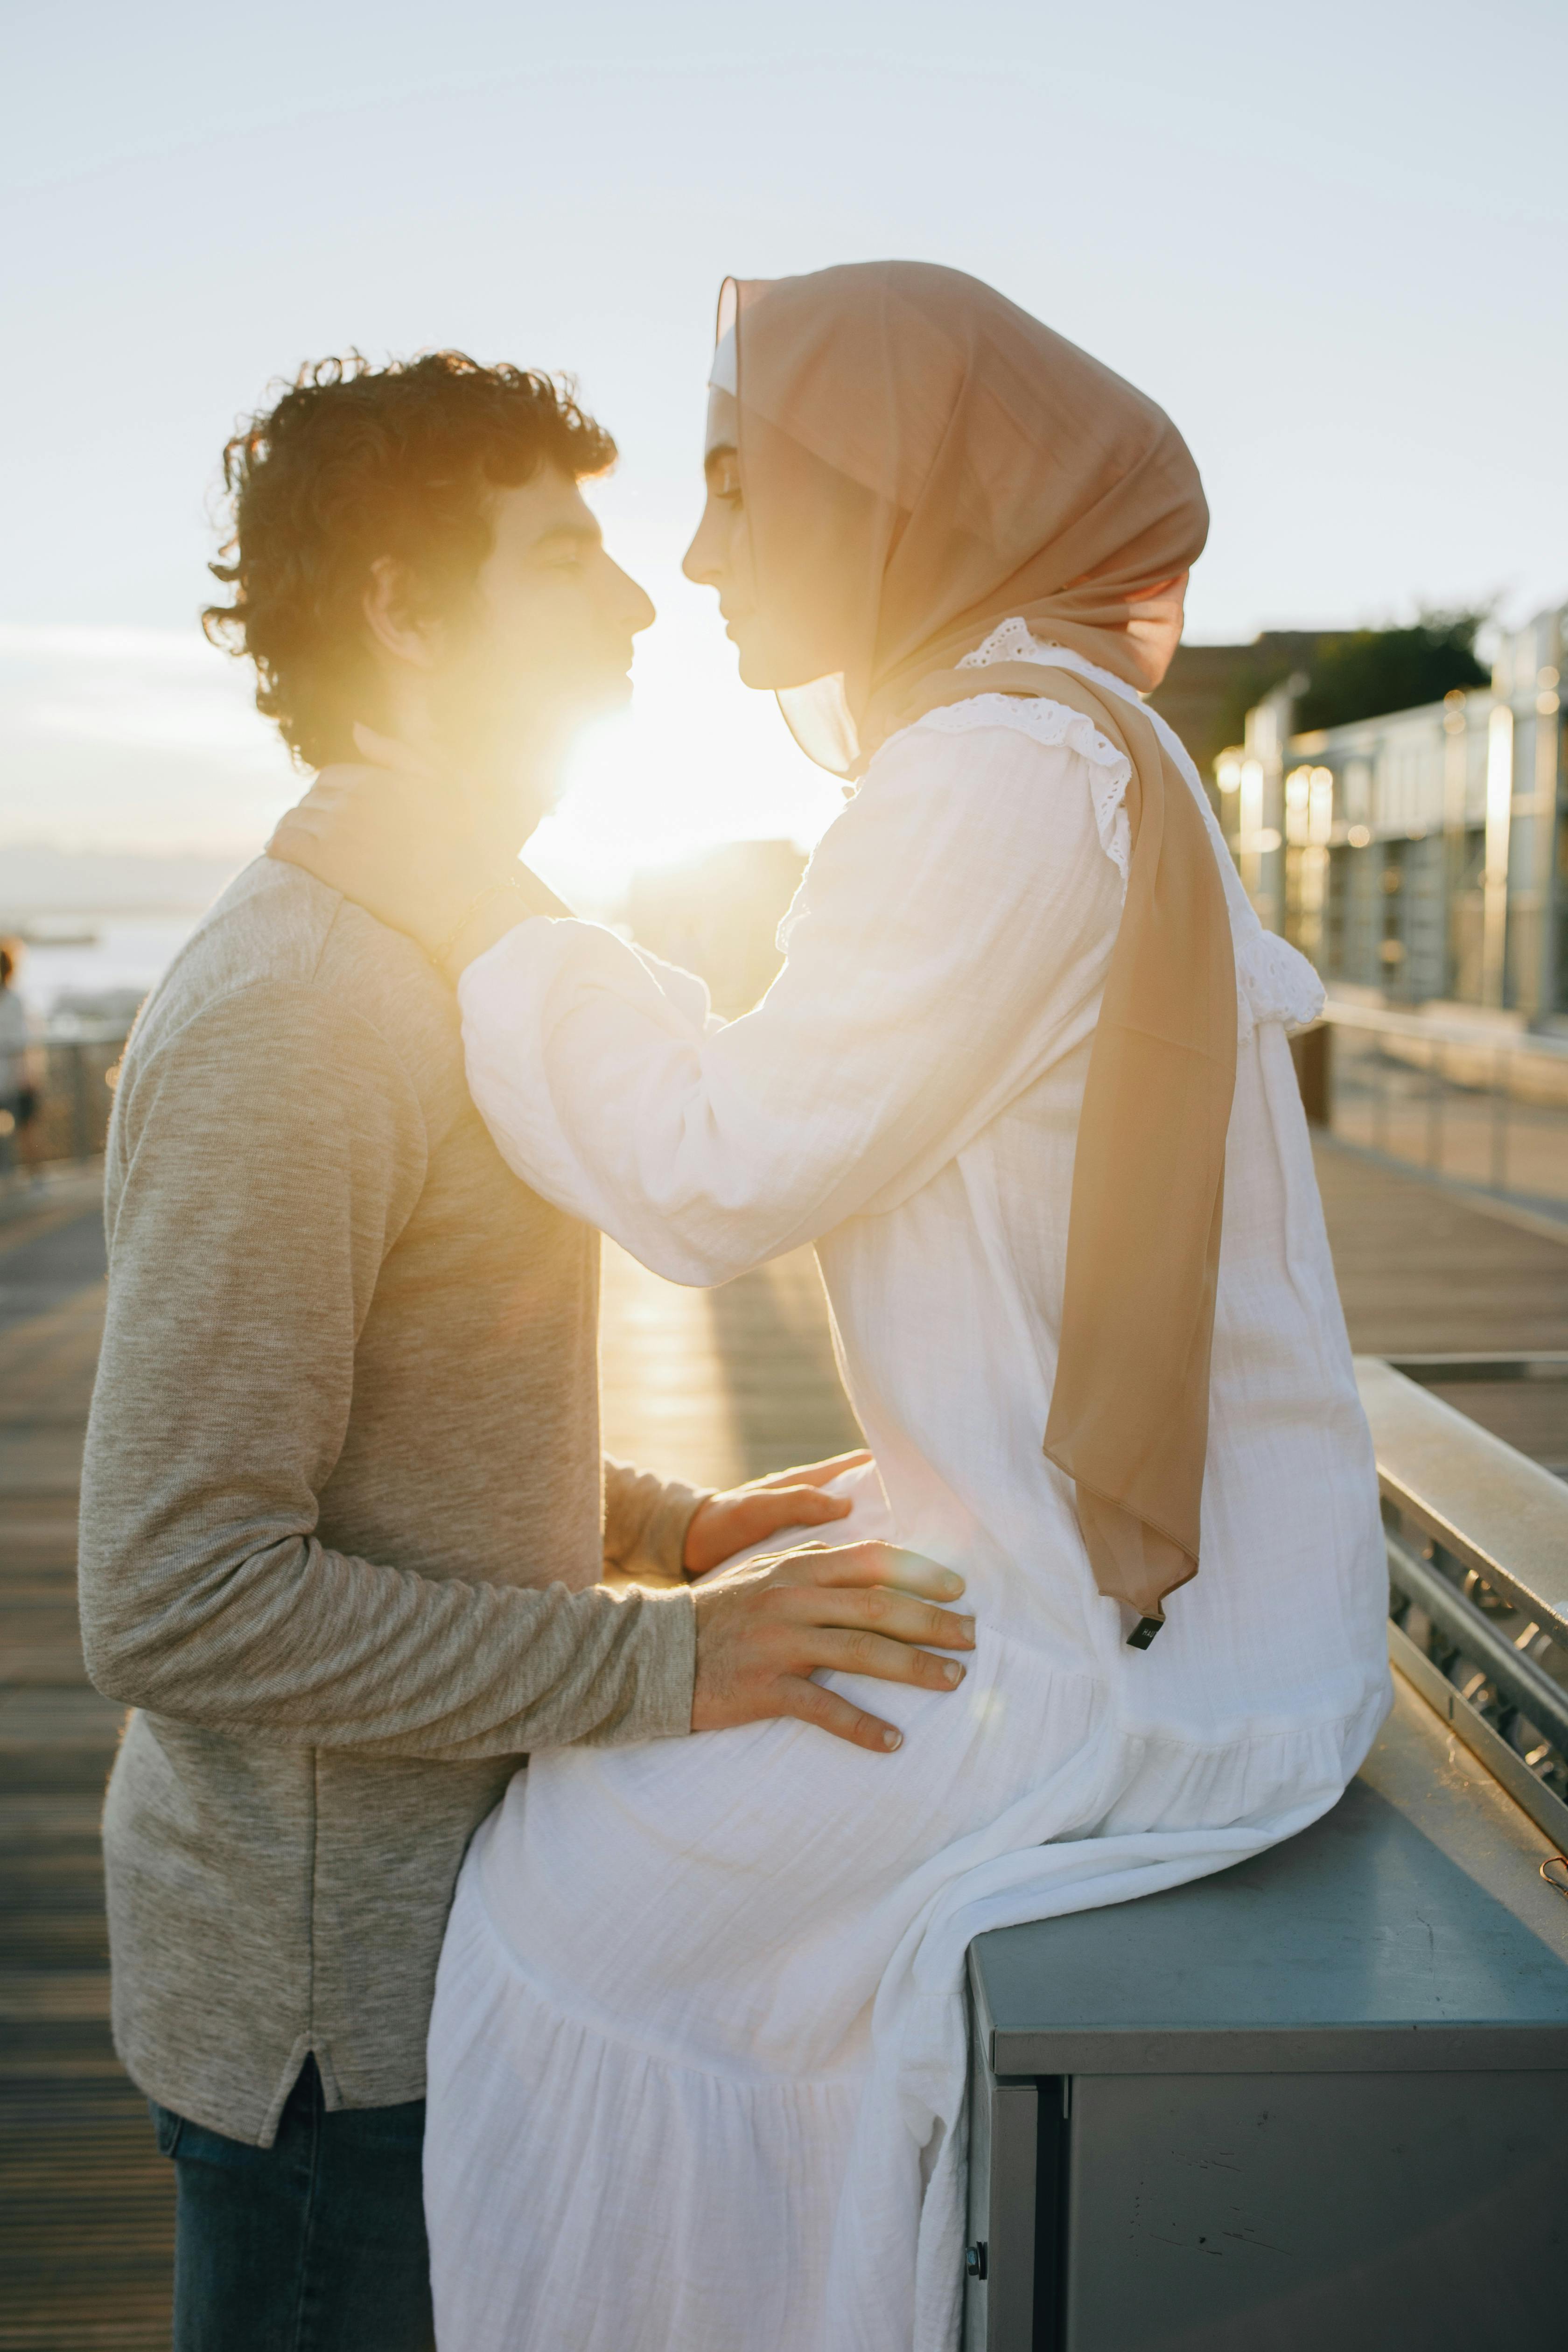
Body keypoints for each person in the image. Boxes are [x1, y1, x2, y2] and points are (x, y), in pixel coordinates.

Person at [271, 264, 1392, 2352]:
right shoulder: (1070, 740)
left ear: (896, 493)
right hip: (1205, 1605)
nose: (693, 557)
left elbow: (714, 1170)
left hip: (1125, 1659)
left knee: (565, 1902)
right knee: (620, 1834)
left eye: (734, 486)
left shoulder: (983, 774)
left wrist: (493, 924)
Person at [77, 351, 974, 2352]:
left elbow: (388, 1438)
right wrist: (671, 1660)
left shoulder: (441, 948)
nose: (642, 596)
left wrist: (663, 1522)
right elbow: (172, 1592)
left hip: (439, 1973)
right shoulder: (302, 1005)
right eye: (566, 550)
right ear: (404, 605)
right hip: (327, 2039)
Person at [0, 942, 42, 1183]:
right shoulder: (15, 1001)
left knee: (27, 1130)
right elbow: (24, 1041)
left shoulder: (14, 1002)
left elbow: (22, 1042)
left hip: (15, 1077)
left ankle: (33, 1178)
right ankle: (34, 1178)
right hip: (17, 1077)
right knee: (27, 1130)